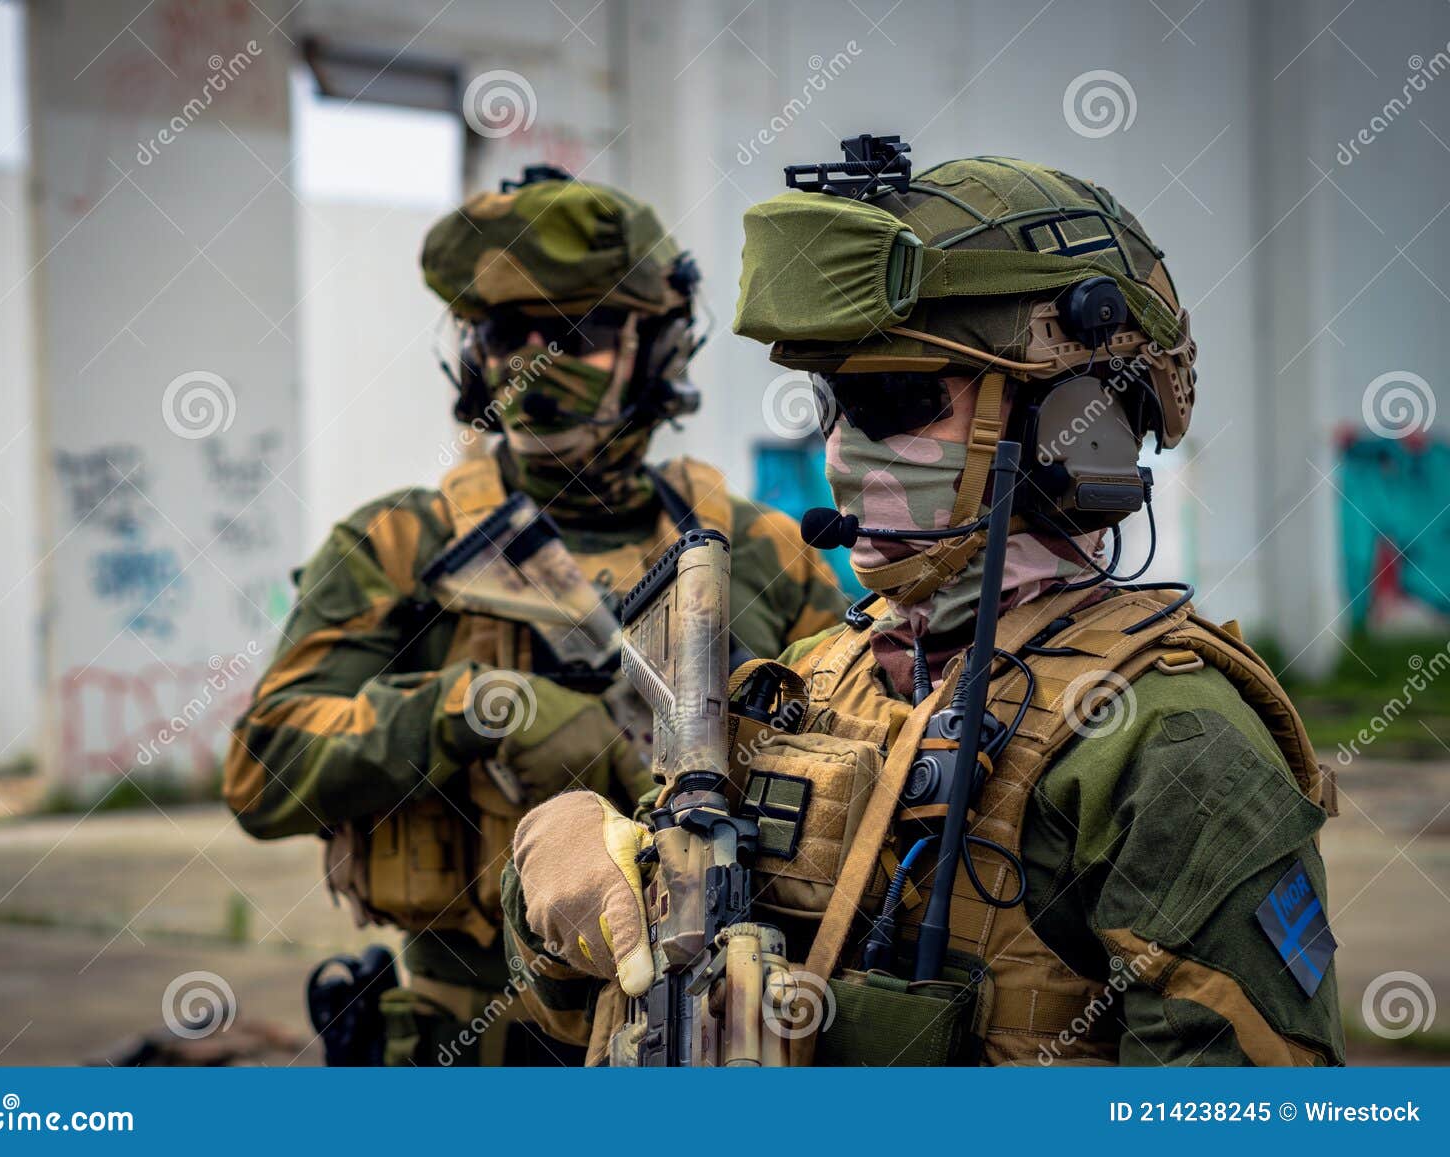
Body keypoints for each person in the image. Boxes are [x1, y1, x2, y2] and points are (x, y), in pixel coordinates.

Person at [502, 144, 1345, 1066]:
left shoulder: (1171, 739)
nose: (841, 451)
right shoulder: (804, 685)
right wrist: (555, 885)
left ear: (1069, 419)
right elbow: (586, 1018)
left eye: (895, 397)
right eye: (831, 400)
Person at [221, 165, 848, 1066]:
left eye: (581, 332)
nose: (536, 361)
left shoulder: (759, 552)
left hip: (695, 1021)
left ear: (659, 346)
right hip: (463, 1036)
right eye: (507, 331)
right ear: (473, 352)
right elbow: (263, 766)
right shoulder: (402, 543)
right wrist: (474, 707)